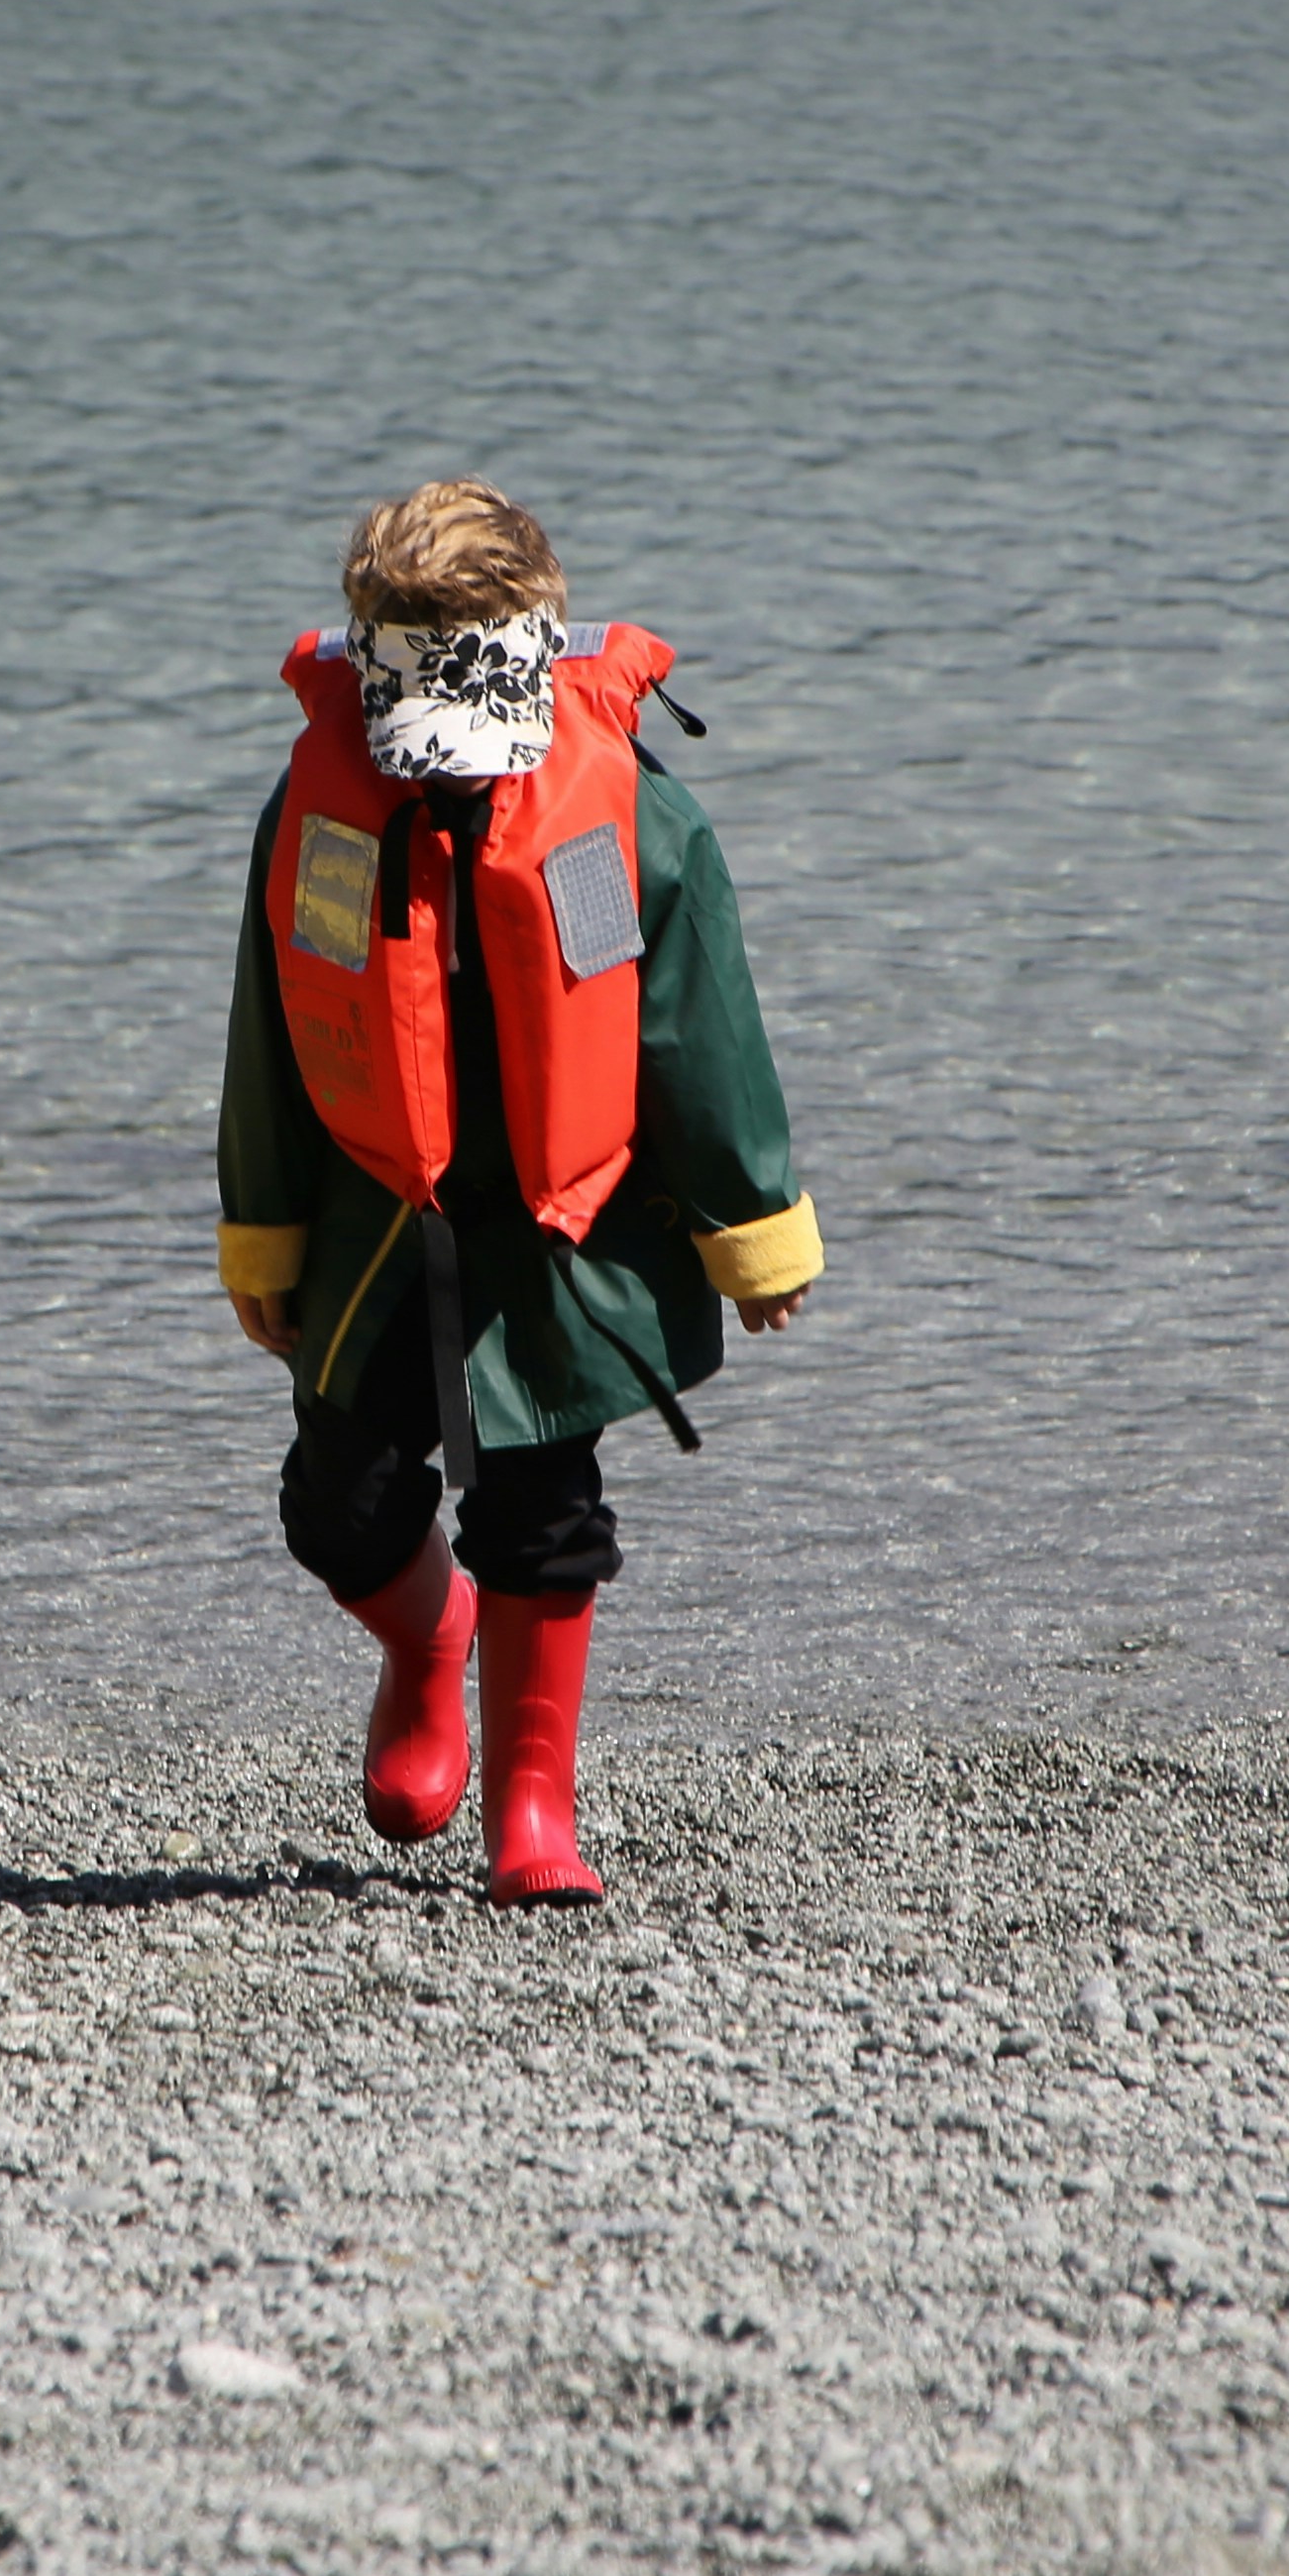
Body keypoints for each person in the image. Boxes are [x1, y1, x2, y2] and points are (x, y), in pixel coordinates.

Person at [215, 481, 821, 1905]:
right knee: (336, 1505)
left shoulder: (624, 822)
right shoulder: (322, 815)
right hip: (377, 1226)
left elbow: (695, 1030)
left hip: (563, 1231)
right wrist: (263, 1225)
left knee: (547, 1516)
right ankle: (431, 1641)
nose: (445, 776)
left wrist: (752, 1223)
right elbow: (273, 1034)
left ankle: (530, 1817)